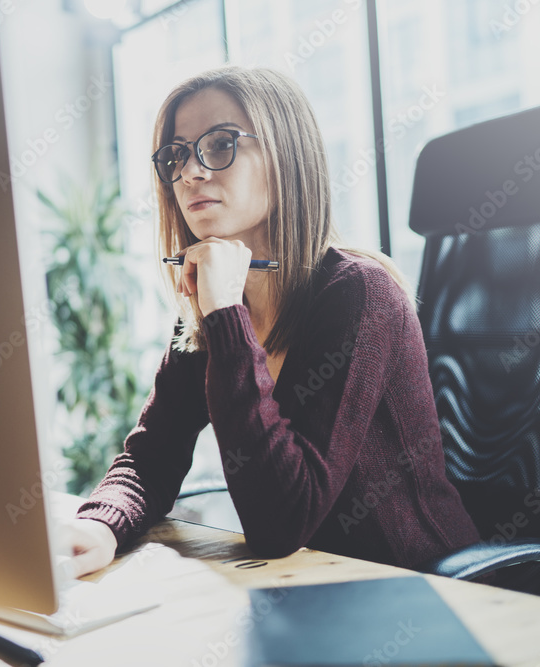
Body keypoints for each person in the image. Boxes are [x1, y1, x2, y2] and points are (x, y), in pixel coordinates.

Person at [64, 65, 481, 578]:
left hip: (422, 589)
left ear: (285, 157)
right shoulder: (210, 314)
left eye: (219, 145)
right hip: (308, 585)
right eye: (176, 154)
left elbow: (283, 521)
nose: (190, 172)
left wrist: (225, 315)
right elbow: (152, 454)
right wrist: (99, 526)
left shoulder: (359, 294)